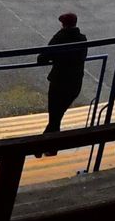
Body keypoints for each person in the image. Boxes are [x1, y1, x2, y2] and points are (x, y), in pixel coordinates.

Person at [35, 12, 88, 153]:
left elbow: (42, 58)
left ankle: (41, 147)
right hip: (75, 83)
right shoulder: (82, 39)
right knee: (57, 116)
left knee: (54, 117)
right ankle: (48, 148)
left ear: (64, 24)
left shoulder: (60, 38)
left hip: (59, 83)